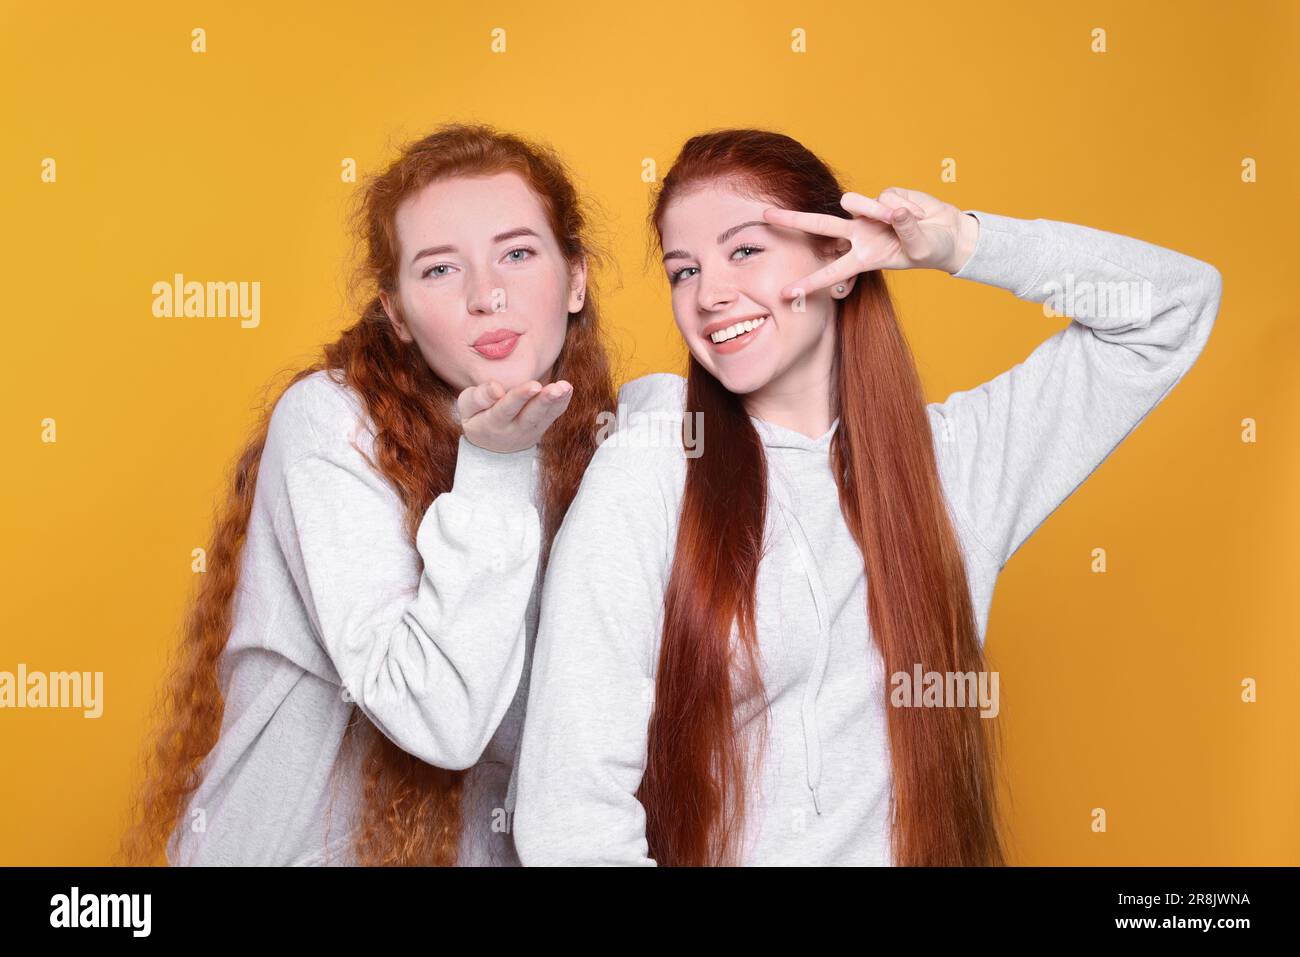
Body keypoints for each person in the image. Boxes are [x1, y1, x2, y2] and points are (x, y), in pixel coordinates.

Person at [512, 128, 1222, 865]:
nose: (711, 293)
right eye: (683, 270)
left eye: (745, 250)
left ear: (840, 263)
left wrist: (959, 245)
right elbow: (569, 819)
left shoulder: (954, 465)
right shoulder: (651, 470)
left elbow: (1175, 306)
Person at [120, 123, 616, 866]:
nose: (488, 295)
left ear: (574, 277)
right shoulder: (328, 422)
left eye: (517, 253)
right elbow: (440, 717)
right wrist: (492, 466)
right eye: (440, 270)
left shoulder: (609, 440)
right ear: (398, 315)